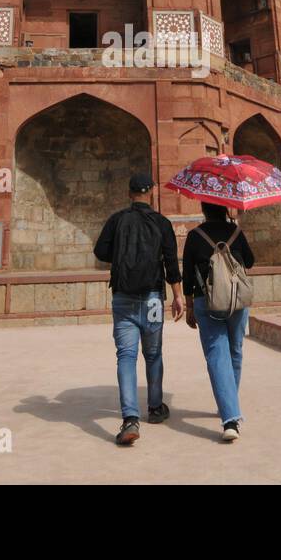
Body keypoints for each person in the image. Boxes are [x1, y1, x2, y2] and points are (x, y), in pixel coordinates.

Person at [93, 172, 185, 446]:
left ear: (129, 193)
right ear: (152, 192)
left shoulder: (117, 220)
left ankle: (130, 419)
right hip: (154, 299)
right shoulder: (161, 222)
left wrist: (122, 253)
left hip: (123, 298)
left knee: (126, 356)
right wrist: (178, 296)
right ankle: (155, 408)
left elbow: (100, 251)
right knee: (153, 353)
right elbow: (171, 263)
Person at [182, 201, 255, 442]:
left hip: (207, 300)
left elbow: (188, 274)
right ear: (225, 209)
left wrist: (189, 304)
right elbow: (250, 261)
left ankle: (230, 417)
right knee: (234, 351)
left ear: (203, 210)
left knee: (216, 354)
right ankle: (229, 407)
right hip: (236, 301)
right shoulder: (236, 232)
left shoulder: (195, 236)